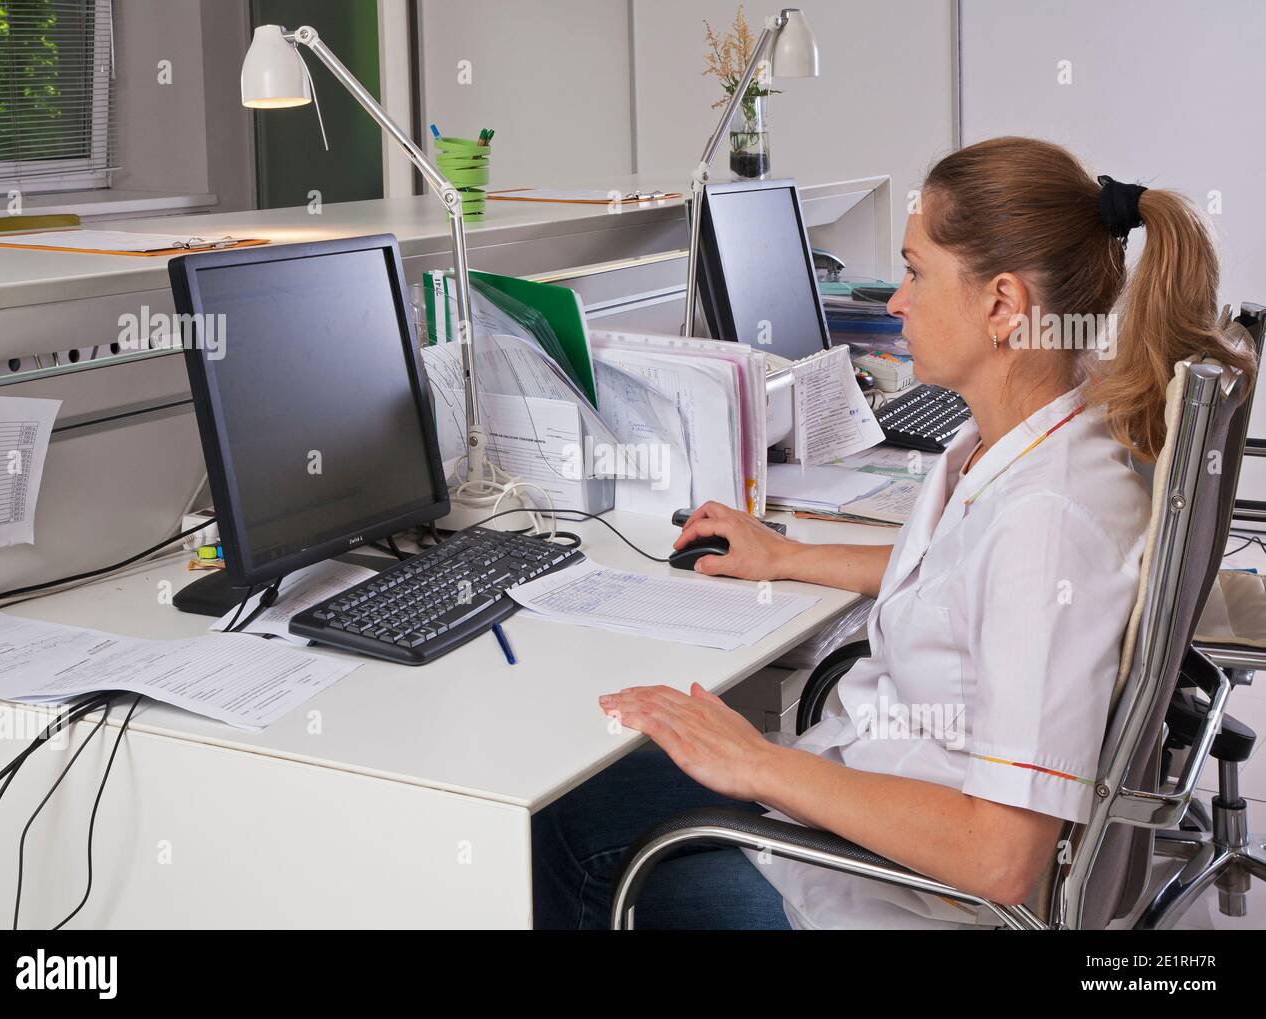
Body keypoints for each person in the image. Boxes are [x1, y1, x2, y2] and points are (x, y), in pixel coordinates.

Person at [532, 136, 1256, 930]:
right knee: (586, 797)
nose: (895, 302)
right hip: (854, 815)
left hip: (892, 893)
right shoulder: (1045, 426)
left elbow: (1001, 856)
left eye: (915, 272)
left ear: (1003, 304)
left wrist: (757, 762)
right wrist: (790, 556)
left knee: (554, 833)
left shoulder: (1047, 524)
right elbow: (959, 576)